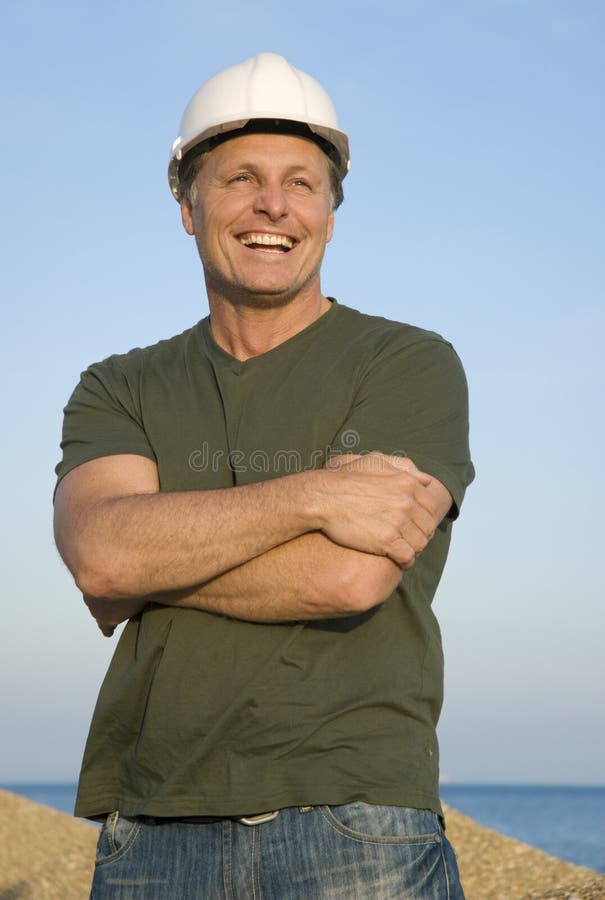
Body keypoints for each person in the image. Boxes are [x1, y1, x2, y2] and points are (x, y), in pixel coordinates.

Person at [54, 52, 474, 899]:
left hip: (356, 820)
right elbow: (101, 556)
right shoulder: (119, 384)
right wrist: (315, 494)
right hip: (151, 822)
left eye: (301, 183)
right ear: (186, 206)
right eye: (239, 177)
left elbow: (348, 575)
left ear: (329, 211)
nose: (272, 206)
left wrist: (152, 567)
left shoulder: (406, 362)